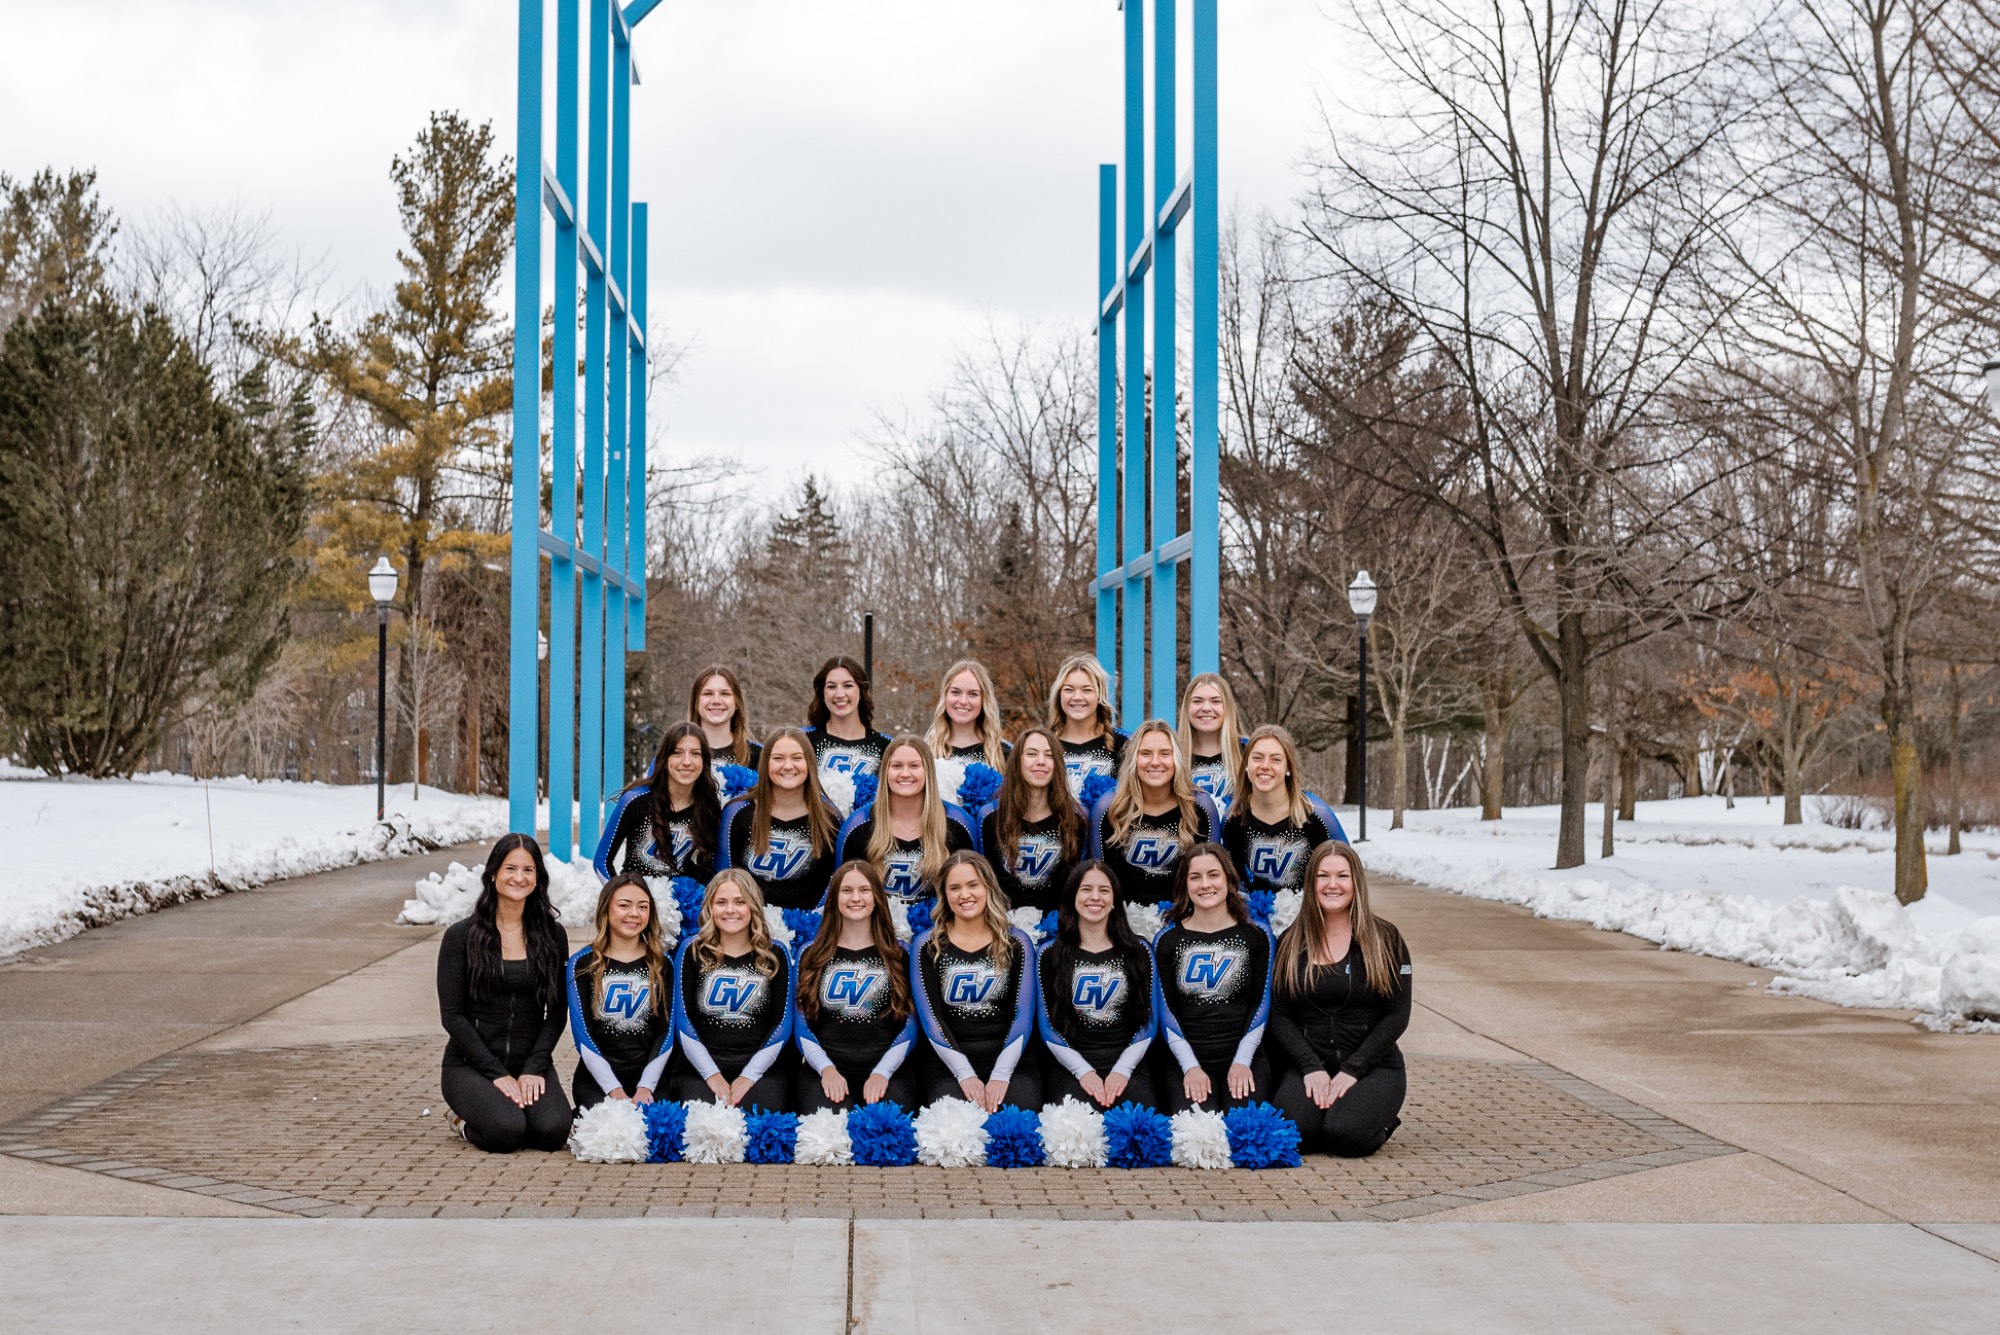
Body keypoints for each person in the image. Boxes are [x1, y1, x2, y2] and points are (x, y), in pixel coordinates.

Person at [1270, 841, 1410, 1157]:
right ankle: (1328, 1117)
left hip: (1373, 1066)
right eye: (1323, 876)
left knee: (1346, 1135)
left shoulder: (1385, 939)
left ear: (1356, 882)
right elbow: (1280, 1016)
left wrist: (1353, 1070)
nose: (1332, 885)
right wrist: (1310, 1067)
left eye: (1342, 876)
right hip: (1311, 1064)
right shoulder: (1290, 942)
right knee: (1294, 1136)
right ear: (1311, 883)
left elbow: (1397, 1015)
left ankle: (1375, 1120)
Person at [437, 834, 574, 1152]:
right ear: (493, 873)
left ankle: (513, 1108)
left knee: (552, 1131)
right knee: (507, 1131)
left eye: (528, 870)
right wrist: (496, 1074)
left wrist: (534, 1068)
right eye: (510, 868)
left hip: (528, 1063)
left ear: (538, 878)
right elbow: (452, 1016)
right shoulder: (461, 936)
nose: (519, 878)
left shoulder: (552, 935)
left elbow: (557, 1011)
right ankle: (461, 1121)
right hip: (470, 1064)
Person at [910, 851, 1041, 1113]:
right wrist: (964, 1074)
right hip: (950, 1060)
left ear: (988, 887)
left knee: (1020, 1119)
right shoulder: (928, 945)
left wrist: (1001, 1075)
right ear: (944, 894)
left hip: (1009, 1058)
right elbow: (932, 1019)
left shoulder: (1016, 942)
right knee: (953, 1125)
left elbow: (1022, 1015)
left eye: (973, 885)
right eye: (955, 888)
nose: (964, 895)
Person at [1151, 844, 1273, 1113]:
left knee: (1243, 1127)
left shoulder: (1257, 935)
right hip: (1188, 1059)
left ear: (1228, 879)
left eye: (1213, 875)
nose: (1205, 884)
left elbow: (1261, 1003)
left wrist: (1242, 1061)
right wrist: (1190, 1067)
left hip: (1244, 1055)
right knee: (1198, 1132)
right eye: (1195, 877)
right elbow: (1166, 1011)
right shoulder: (1167, 940)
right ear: (1184, 884)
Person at [792, 861, 920, 1112]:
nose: (855, 898)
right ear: (834, 898)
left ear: (877, 897)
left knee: (886, 1130)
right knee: (829, 1132)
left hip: (888, 1067)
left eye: (864, 890)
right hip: (826, 1068)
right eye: (846, 890)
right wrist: (827, 1069)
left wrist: (882, 1072)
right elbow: (802, 1024)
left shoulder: (900, 954)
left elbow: (911, 1023)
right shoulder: (810, 953)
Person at [664, 870, 795, 1109]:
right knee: (701, 1122)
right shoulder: (692, 951)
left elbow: (782, 1022)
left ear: (753, 906)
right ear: (710, 907)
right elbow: (682, 1020)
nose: (730, 910)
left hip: (760, 1067)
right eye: (721, 902)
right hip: (699, 1067)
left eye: (740, 902)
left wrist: (749, 1076)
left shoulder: (775, 954)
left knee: (761, 1120)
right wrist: (712, 1075)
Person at [1036, 861, 1158, 1109]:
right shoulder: (1049, 954)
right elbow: (1047, 1026)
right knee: (1071, 1130)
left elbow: (1149, 1020)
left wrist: (1123, 1070)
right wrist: (1083, 1072)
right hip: (1071, 1064)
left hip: (1128, 1061)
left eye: (1104, 890)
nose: (1095, 897)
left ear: (1114, 900)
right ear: (1072, 897)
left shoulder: (1139, 951)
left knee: (1140, 1128)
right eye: (1086, 889)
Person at [565, 874, 673, 1111]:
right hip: (598, 1080)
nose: (634, 913)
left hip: (650, 1078)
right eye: (624, 905)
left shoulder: (662, 963)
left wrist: (646, 1087)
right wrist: (614, 1090)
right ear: (606, 909)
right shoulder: (582, 963)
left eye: (642, 907)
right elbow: (583, 1035)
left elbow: (665, 1031)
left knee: (656, 1127)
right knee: (609, 1129)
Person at [1088, 719, 1223, 906]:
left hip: (1185, 913)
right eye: (1145, 753)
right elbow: (1100, 880)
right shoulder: (1109, 808)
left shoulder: (1200, 806)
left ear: (1177, 759)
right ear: (1133, 759)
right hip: (1124, 915)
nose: (1155, 762)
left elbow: (1211, 879)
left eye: (1165, 754)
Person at [834, 737, 980, 903]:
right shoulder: (857, 825)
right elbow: (841, 894)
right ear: (885, 771)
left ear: (928, 771)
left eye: (914, 766)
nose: (905, 773)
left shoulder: (959, 824)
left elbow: (975, 892)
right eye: (896, 766)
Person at [717, 727, 840, 910]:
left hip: (809, 922)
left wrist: (812, 919)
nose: (788, 766)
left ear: (810, 763)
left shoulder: (829, 817)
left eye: (797, 758)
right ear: (765, 763)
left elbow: (835, 881)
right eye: (778, 758)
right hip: (749, 919)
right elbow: (723, 876)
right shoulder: (737, 812)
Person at [1222, 725, 1350, 895]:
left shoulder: (1317, 814)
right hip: (1254, 911)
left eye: (1276, 760)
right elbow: (1234, 883)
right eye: (1257, 758)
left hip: (1308, 908)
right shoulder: (1233, 818)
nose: (1265, 766)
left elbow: (1348, 870)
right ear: (1246, 763)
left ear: (1288, 767)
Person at [594, 721, 722, 883]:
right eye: (677, 753)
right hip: (639, 896)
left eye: (695, 754)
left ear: (704, 761)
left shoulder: (709, 807)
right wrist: (621, 894)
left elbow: (712, 870)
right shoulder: (634, 801)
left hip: (683, 897)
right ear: (665, 758)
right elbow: (601, 862)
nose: (687, 761)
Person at [978, 724, 1087, 914]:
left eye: (1049, 755)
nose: (1041, 761)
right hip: (1004, 924)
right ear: (1017, 761)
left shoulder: (1075, 819)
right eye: (1031, 754)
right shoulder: (991, 817)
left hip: (1058, 925)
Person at [805, 655, 894, 800]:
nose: (839, 694)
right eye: (831, 686)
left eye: (848, 685)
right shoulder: (804, 741)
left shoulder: (887, 746)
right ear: (822, 693)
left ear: (861, 691)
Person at [925, 659, 1010, 800]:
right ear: (945, 696)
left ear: (984, 699)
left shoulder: (1003, 753)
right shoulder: (925, 751)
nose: (963, 701)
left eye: (973, 694)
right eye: (956, 692)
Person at [1046, 654, 1124, 797]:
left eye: (1087, 690)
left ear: (1099, 695)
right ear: (1059, 695)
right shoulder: (1045, 744)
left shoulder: (1122, 745)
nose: (1077, 697)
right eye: (1069, 689)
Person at [1177, 673, 1248, 812]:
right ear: (1187, 707)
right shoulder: (1172, 754)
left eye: (1216, 701)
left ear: (1227, 707)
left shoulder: (1249, 751)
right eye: (1197, 701)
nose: (1206, 708)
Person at [689, 665, 761, 783]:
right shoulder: (675, 753)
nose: (716, 701)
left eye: (725, 694)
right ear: (695, 702)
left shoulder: (760, 756)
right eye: (708, 693)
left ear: (736, 703)